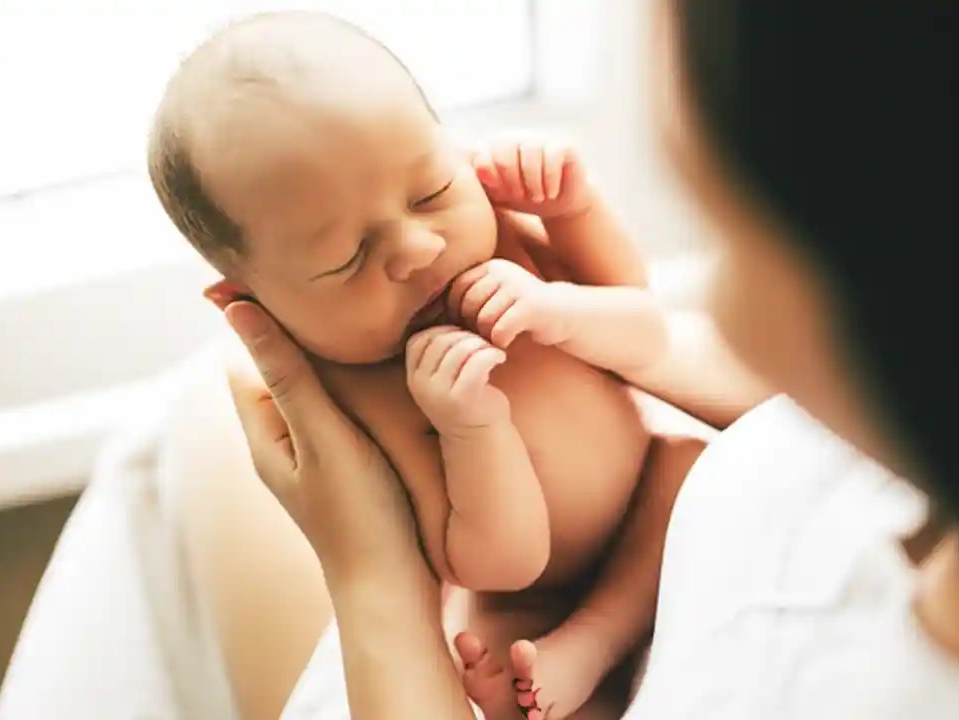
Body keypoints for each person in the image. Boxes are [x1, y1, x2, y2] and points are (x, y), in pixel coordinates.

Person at [214, 2, 959, 718]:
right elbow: (695, 361)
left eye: (733, 231)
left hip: (476, 641)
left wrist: (371, 573)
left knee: (179, 461)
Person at [147, 12, 707, 718]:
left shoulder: (502, 235)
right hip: (529, 598)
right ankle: (572, 658)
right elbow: (500, 564)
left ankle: (592, 643)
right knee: (496, 663)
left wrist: (571, 215)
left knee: (689, 462)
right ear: (251, 301)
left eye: (430, 193)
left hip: (650, 480)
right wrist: (471, 429)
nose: (416, 248)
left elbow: (642, 319)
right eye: (345, 259)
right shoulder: (359, 394)